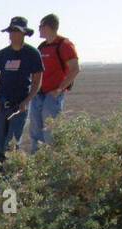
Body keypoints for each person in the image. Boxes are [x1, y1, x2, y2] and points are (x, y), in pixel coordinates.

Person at [0, 17, 44, 179]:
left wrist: (27, 101)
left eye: (16, 31)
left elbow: (37, 82)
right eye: (10, 31)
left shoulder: (32, 54)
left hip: (19, 107)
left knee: (11, 145)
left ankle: (10, 181)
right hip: (1, 106)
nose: (12, 34)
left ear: (24, 33)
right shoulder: (2, 55)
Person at [30, 13, 79, 152]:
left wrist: (59, 89)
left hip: (53, 95)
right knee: (35, 131)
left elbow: (75, 69)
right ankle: (36, 165)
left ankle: (52, 163)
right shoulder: (42, 47)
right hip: (39, 93)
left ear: (48, 27)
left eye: (41, 26)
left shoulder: (64, 45)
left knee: (50, 132)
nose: (39, 29)